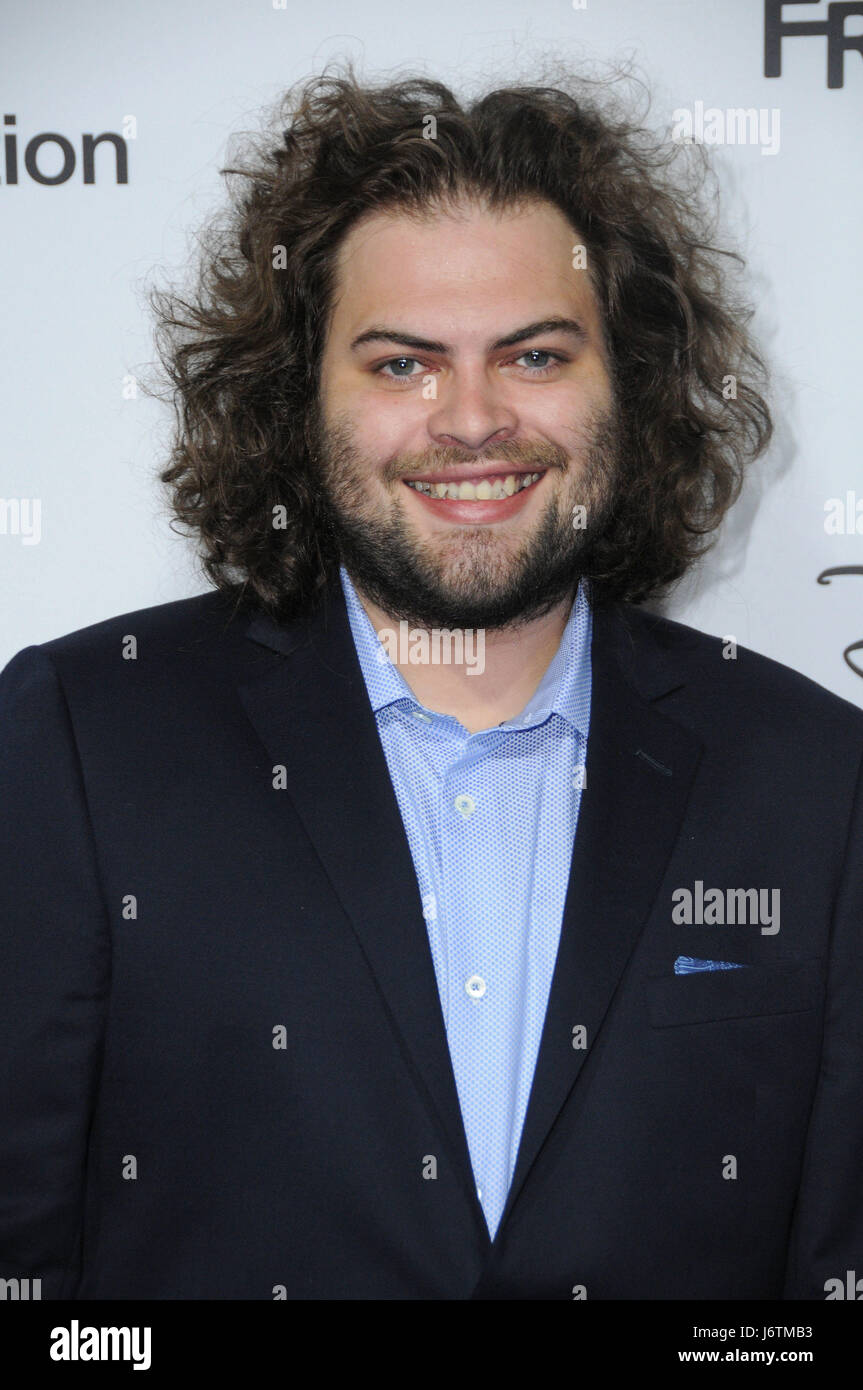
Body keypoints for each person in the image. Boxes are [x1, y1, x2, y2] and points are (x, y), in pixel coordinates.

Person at [1, 64, 861, 1301]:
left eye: (534, 354)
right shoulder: (84, 738)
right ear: (300, 401)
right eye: (401, 365)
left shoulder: (815, 783)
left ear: (629, 381)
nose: (469, 420)